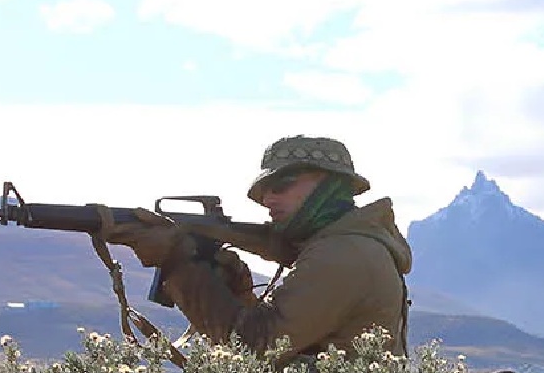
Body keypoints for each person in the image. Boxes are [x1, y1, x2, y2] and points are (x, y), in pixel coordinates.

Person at [106, 135, 412, 361]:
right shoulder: (351, 245)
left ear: (328, 184)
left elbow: (255, 349)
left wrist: (178, 263)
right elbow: (304, 341)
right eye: (264, 192)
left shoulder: (341, 255)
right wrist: (240, 298)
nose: (267, 200)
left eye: (281, 186)